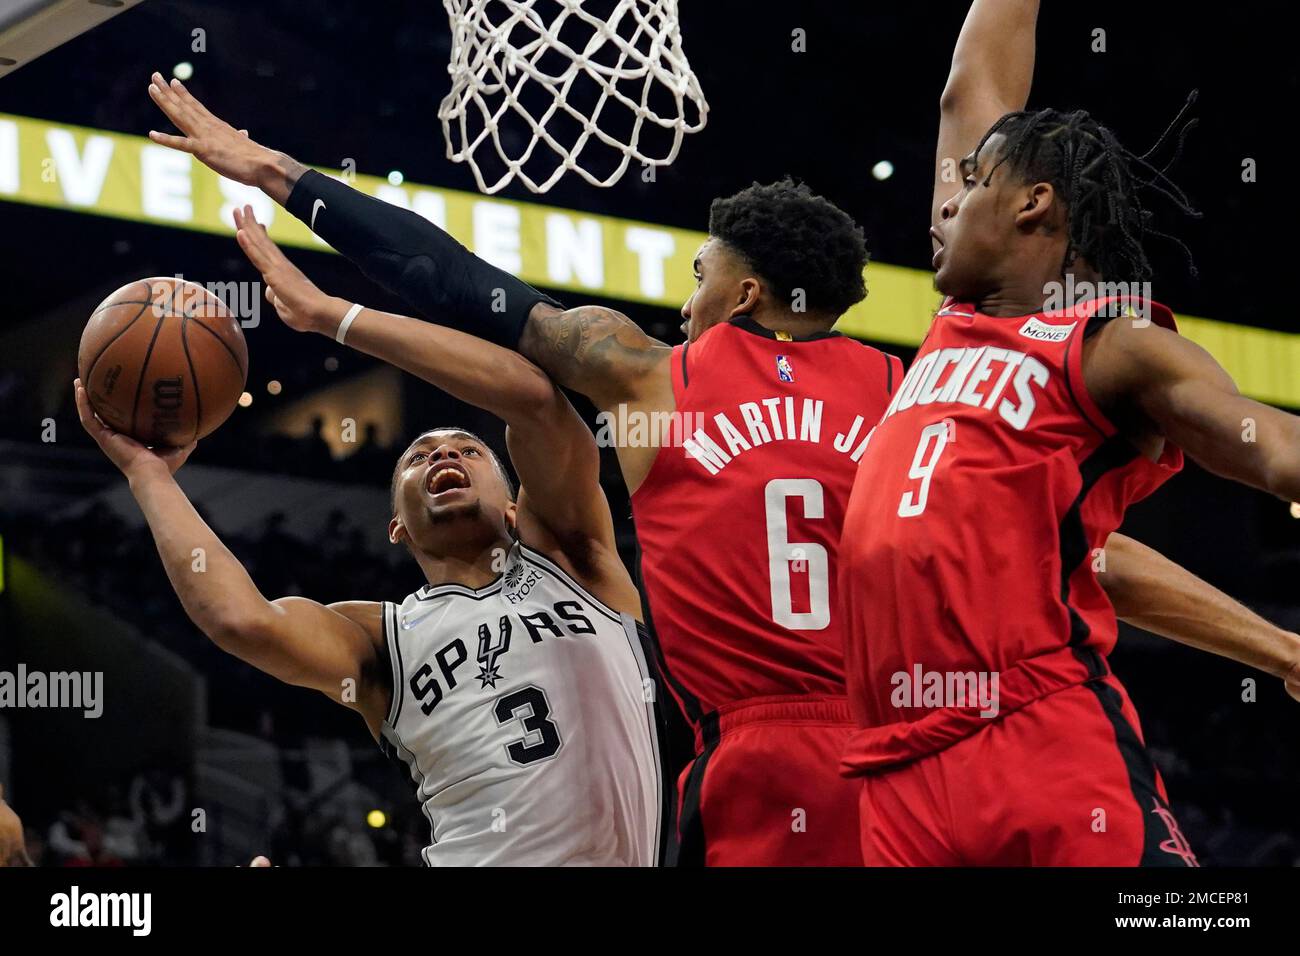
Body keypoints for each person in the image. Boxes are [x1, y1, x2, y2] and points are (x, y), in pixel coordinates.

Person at [151, 74, 1300, 865]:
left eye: (697, 273)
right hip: (921, 748)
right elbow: (1081, 553)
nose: (683, 295)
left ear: (743, 292)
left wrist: (287, 181)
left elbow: (462, 282)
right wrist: (1271, 644)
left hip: (762, 764)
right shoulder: (923, 400)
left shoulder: (652, 379)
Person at [838, 0, 1300, 865]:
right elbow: (967, 89)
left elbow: (1272, 449)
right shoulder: (954, 323)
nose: (943, 204)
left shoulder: (1109, 345)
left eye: (969, 185)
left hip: (1034, 735)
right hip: (893, 767)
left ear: (1032, 204)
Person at [73, 287, 663, 865]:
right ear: (397, 528)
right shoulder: (382, 638)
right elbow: (240, 619)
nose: (443, 455)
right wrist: (149, 477)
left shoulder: (573, 558)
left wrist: (339, 317)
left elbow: (536, 400)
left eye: (468, 450)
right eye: (418, 456)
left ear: (516, 509)